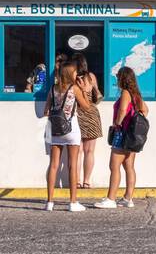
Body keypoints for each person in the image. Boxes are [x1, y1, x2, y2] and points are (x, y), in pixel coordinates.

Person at [43, 61, 92, 212]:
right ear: (71, 74)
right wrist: (84, 90)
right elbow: (87, 107)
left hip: (55, 130)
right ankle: (73, 202)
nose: (77, 74)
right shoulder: (75, 88)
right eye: (75, 72)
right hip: (71, 130)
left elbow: (46, 111)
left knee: (53, 165)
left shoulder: (52, 89)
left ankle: (50, 202)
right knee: (72, 165)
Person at [93, 67, 145, 209]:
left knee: (114, 166)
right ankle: (128, 198)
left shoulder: (126, 93)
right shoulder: (136, 94)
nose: (116, 80)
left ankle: (111, 199)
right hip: (132, 135)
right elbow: (145, 110)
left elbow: (122, 110)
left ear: (123, 78)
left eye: (118, 77)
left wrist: (117, 122)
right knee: (129, 167)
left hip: (122, 132)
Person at [72, 52, 103, 188]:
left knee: (77, 151)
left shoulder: (71, 79)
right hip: (91, 114)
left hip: (77, 115)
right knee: (89, 151)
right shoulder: (91, 77)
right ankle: (87, 181)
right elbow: (99, 97)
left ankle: (76, 181)